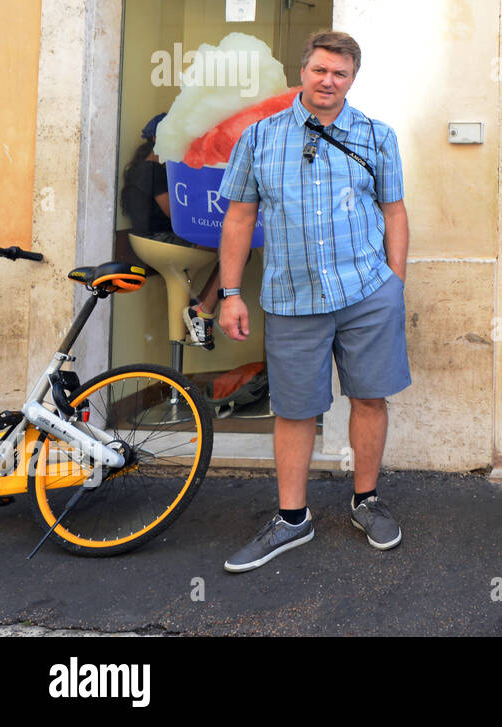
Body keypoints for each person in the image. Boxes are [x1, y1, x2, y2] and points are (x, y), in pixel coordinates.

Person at [217, 31, 410, 572]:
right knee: (295, 407)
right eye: (321, 70)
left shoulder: (377, 136)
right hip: (291, 295)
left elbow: (394, 211)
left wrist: (394, 283)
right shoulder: (258, 137)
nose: (329, 81)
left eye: (340, 73)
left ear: (352, 79)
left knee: (370, 397)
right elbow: (239, 217)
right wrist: (230, 293)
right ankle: (292, 518)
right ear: (303, 71)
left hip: (367, 291)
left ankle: (365, 501)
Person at [121, 113, 221, 349]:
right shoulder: (153, 170)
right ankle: (203, 311)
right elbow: (177, 216)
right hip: (162, 241)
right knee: (235, 249)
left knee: (232, 245)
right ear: (159, 137)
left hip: (154, 239)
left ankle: (201, 311)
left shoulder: (148, 168)